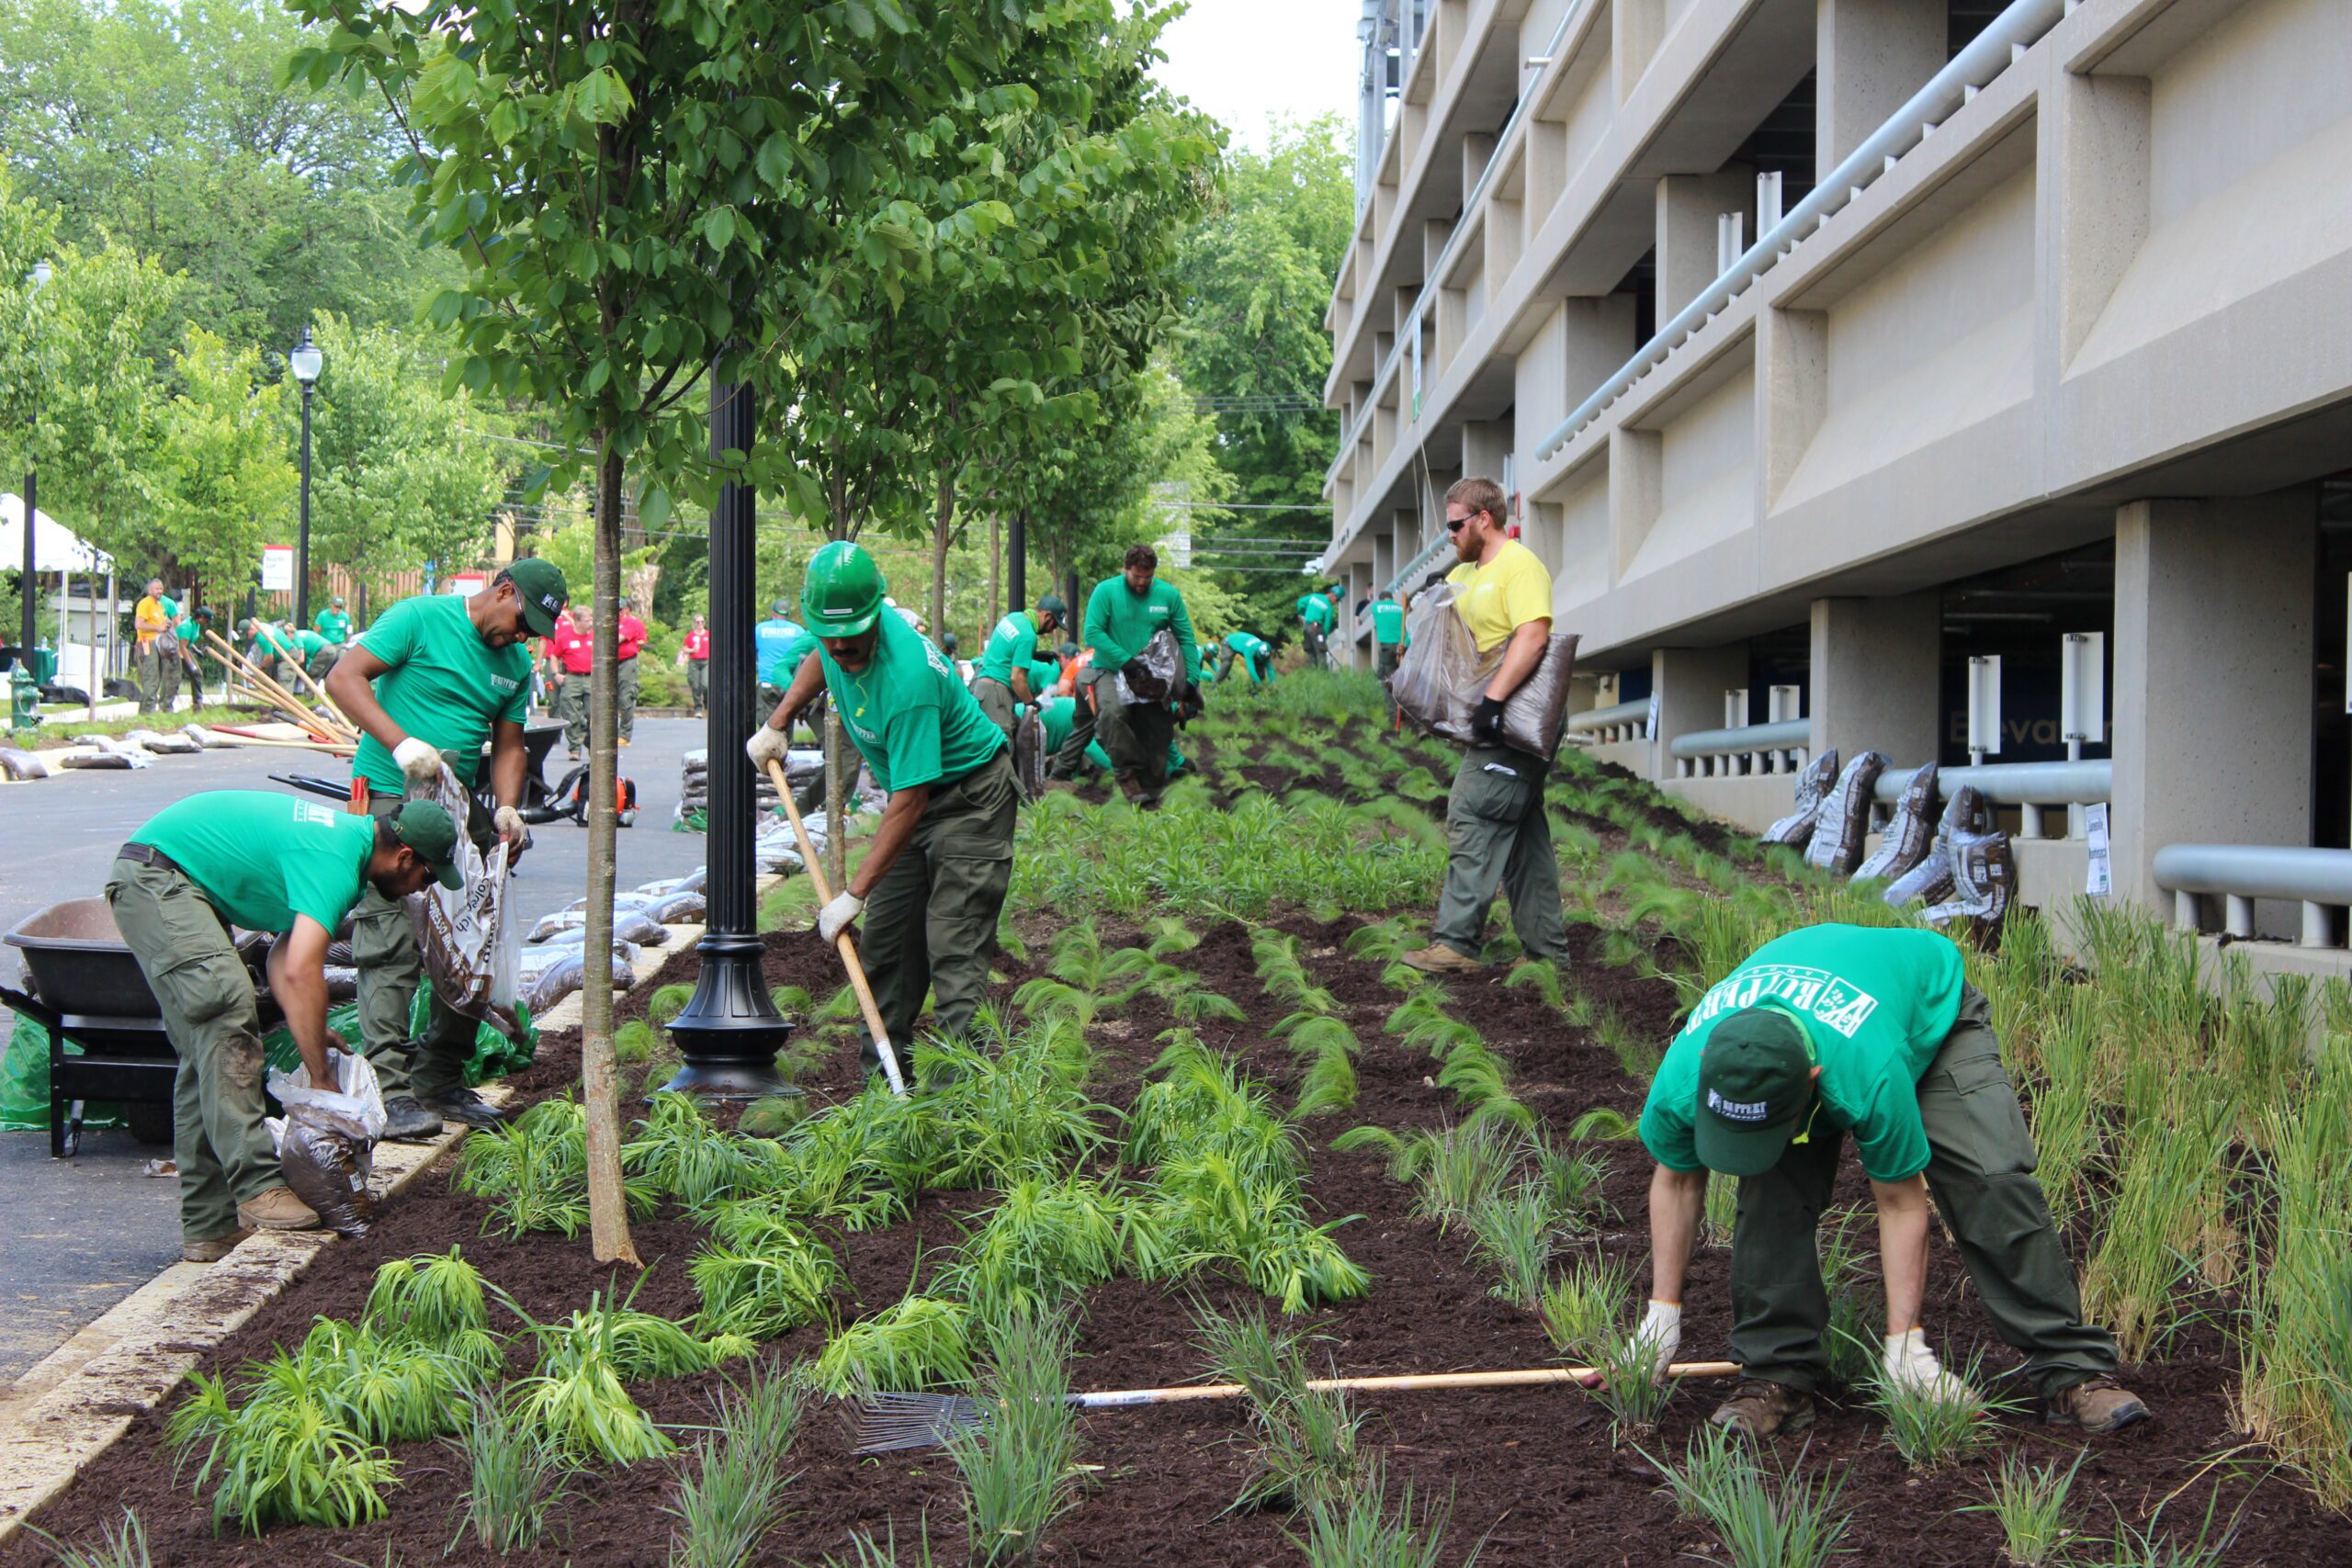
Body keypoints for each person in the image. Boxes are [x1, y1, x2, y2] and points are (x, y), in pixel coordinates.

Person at [1635, 923, 2149, 1439]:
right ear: (1705, 1067)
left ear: (1812, 1082)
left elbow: (1901, 1202)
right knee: (1772, 1191)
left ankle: (2072, 1370)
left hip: (1927, 1012)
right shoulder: (1684, 1073)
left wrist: (1906, 1343)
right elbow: (1676, 1183)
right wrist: (1662, 1317)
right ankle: (1776, 1377)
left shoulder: (1868, 1073)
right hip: (1829, 1014)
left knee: (1988, 1179)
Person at [107, 791, 465, 1260]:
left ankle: (209, 1226)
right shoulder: (336, 860)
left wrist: (312, 1036)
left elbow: (282, 960)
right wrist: (318, 1077)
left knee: (207, 1051)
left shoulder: (348, 858)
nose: (424, 887)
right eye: (428, 874)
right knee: (228, 1011)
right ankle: (258, 1186)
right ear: (403, 856)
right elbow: (300, 970)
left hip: (172, 879)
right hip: (158, 877)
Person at [325, 559, 569, 1141]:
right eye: (521, 619)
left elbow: (511, 745)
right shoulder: (418, 619)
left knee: (469, 941)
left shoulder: (513, 664)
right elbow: (343, 678)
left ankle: (439, 1075)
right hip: (390, 798)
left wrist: (508, 808)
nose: (524, 636)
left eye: (535, 630)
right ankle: (390, 1085)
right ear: (502, 590)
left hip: (459, 808)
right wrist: (401, 741)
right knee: (391, 942)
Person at [746, 542, 1014, 1066]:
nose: (841, 649)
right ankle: (886, 1087)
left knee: (953, 943)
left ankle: (967, 1098)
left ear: (876, 614)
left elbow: (910, 801)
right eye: (831, 638)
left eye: (852, 639)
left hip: (970, 798)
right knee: (887, 944)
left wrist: (853, 894)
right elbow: (818, 660)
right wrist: (778, 721)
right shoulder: (836, 633)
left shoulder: (906, 680)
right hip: (915, 801)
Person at [1402, 477, 1570, 975]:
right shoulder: (1471, 573)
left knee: (1475, 809)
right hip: (1502, 716)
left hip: (1518, 715)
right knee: (1521, 833)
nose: (1449, 534)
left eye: (1455, 524)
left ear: (1483, 519)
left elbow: (1534, 635)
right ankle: (1547, 955)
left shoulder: (1519, 566)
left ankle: (1456, 944)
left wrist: (1494, 702)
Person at [1059, 544, 1200, 808]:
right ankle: (1127, 773)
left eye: (1148, 577)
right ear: (1125, 569)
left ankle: (1151, 786)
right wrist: (1126, 661)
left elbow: (1186, 638)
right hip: (1110, 669)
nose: (1141, 583)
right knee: (1113, 713)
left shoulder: (1168, 595)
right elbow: (1093, 633)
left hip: (1150, 674)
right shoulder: (1106, 591)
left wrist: (1192, 681)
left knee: (1160, 730)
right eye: (1136, 576)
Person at [970, 592, 1069, 740]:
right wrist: (1031, 703)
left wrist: (1036, 655)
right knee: (1003, 743)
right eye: (1054, 624)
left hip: (982, 686)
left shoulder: (1013, 618)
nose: (1052, 630)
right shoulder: (1028, 635)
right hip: (997, 692)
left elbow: (1008, 650)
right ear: (1047, 616)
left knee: (1014, 730)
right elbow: (1017, 678)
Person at [1034, 694, 1185, 783]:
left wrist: (1173, 767)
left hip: (1036, 719)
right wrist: (1119, 772)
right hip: (1030, 722)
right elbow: (1090, 746)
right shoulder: (1104, 712)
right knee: (1028, 781)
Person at [545, 604, 594, 760]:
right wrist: (556, 673)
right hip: (572, 678)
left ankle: (587, 738)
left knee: (591, 713)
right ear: (578, 621)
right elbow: (554, 656)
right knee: (571, 714)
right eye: (588, 620)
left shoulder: (594, 637)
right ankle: (575, 749)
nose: (591, 622)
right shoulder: (565, 637)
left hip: (590, 678)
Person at [754, 598, 806, 712]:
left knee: (767, 725)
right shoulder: (798, 631)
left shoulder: (760, 629)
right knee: (786, 721)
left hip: (767, 682)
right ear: (788, 614)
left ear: (773, 612)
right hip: (789, 684)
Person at [133, 579, 174, 714]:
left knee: (157, 676)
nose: (160, 591)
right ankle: (147, 711)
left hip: (158, 643)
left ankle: (148, 709)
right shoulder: (145, 604)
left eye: (161, 588)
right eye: (157, 589)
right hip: (146, 643)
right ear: (150, 590)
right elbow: (139, 624)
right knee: (151, 676)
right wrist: (158, 627)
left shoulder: (159, 606)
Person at [616, 600, 649, 746]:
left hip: (627, 662)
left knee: (626, 697)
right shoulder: (612, 622)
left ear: (626, 609)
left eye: (620, 609)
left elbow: (617, 639)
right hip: (611, 662)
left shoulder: (630, 622)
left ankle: (624, 734)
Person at [1371, 590, 1409, 682]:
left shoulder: (1376, 607)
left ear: (1381, 600)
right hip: (1402, 645)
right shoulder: (1401, 608)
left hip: (1387, 648)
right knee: (1401, 678)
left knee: (1385, 679)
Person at [1295, 585, 1336, 670]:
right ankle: (1322, 675)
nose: (1336, 602)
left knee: (1310, 651)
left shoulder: (1314, 596)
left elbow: (1300, 602)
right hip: (1317, 628)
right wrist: (1324, 637)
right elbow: (1327, 624)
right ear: (1333, 595)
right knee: (1321, 652)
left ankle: (1312, 673)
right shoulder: (1328, 606)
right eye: (1337, 600)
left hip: (1307, 627)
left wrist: (1302, 614)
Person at [679, 613, 711, 716]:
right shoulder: (691, 636)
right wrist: (692, 649)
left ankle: (707, 701)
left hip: (706, 661)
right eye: (698, 622)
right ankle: (698, 707)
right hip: (694, 662)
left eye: (702, 622)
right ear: (694, 623)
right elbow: (684, 648)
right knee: (695, 684)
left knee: (705, 684)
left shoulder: (708, 634)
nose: (700, 624)